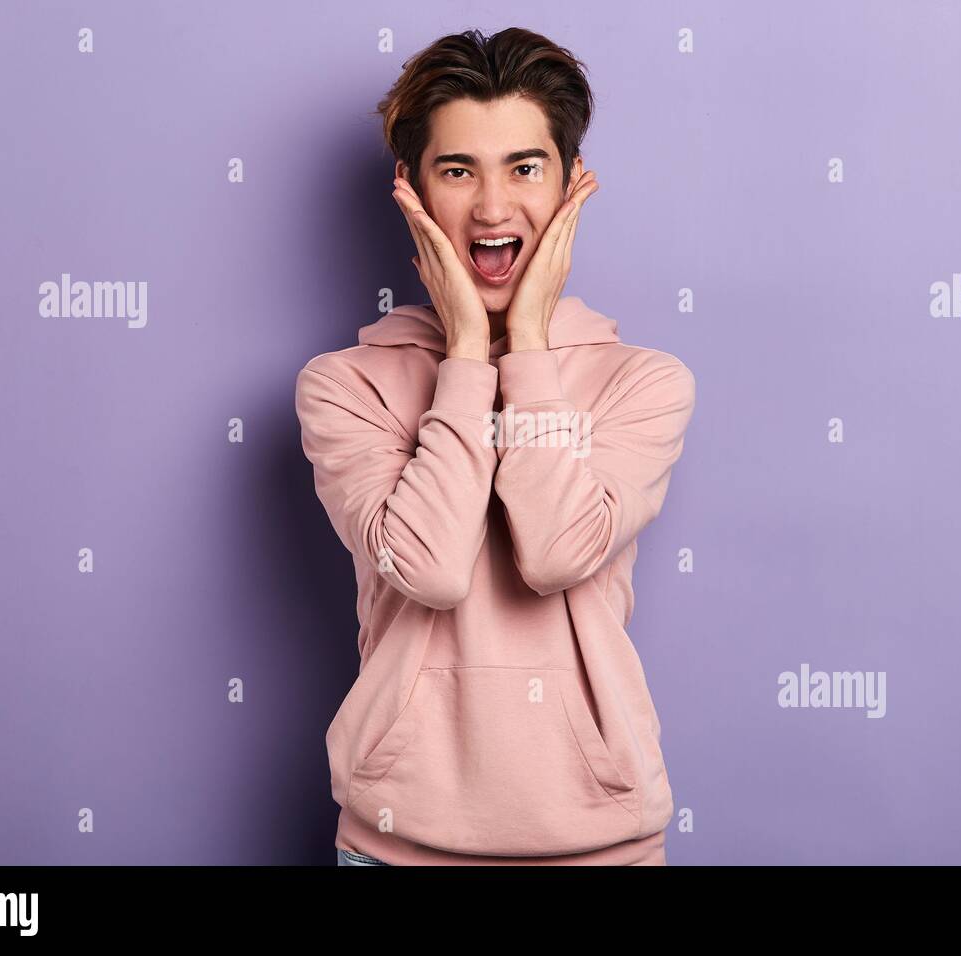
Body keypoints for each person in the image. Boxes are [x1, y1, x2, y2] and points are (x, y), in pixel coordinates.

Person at [295, 27, 696, 866]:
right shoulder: (344, 386)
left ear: (569, 184)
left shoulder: (645, 383)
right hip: (397, 841)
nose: (490, 207)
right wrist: (471, 356)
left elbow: (553, 555)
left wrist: (531, 352)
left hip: (601, 841)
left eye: (524, 167)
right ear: (410, 191)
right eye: (457, 170)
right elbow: (433, 569)